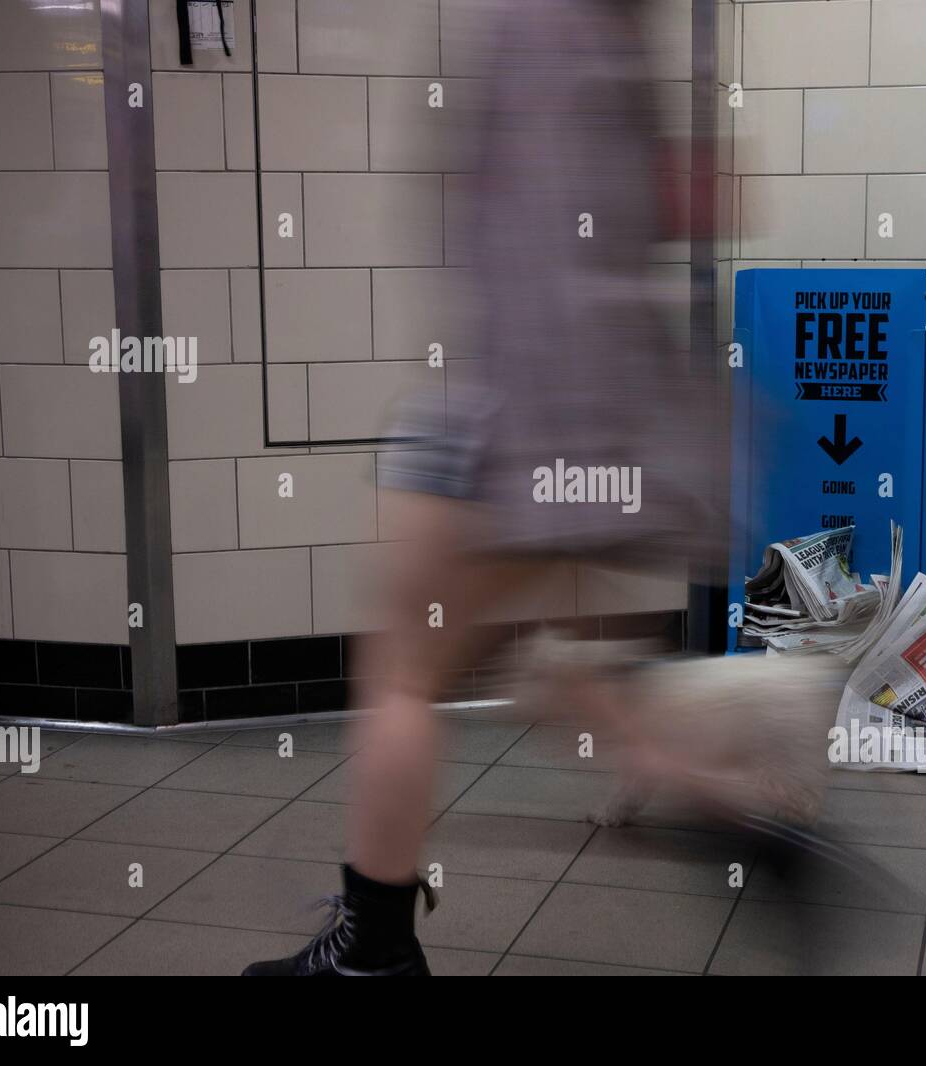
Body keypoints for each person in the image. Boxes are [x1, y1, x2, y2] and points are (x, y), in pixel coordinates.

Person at [243, 0, 724, 977]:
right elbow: (683, 199)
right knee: (524, 653)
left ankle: (371, 952)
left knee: (401, 676)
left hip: (510, 407)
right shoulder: (620, 29)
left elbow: (551, 240)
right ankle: (723, 804)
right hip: (575, 410)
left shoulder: (537, 20)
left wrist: (526, 447)